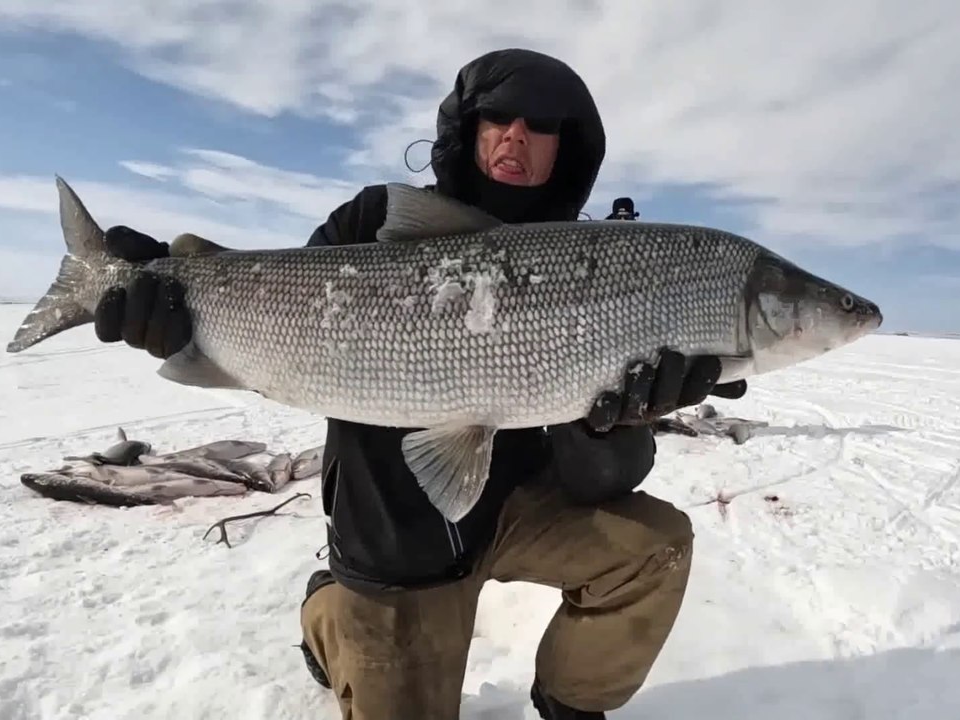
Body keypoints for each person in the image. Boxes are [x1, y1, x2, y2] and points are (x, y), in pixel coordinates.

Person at [92, 48, 748, 719]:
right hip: (397, 536)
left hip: (522, 508)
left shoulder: (599, 265)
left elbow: (603, 482)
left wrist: (619, 421)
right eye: (499, 115)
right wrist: (183, 310)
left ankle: (572, 704)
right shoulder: (376, 220)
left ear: (566, 145)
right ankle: (330, 615)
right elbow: (284, 317)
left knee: (654, 548)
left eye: (542, 123)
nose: (517, 133)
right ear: (472, 125)